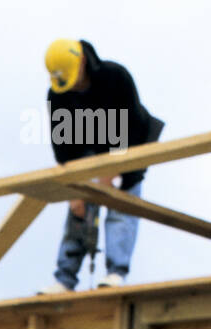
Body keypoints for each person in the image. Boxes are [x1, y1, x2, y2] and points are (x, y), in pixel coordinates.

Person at [41, 39, 163, 292]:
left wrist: (115, 170)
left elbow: (130, 126)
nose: (71, 85)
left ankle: (116, 273)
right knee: (78, 210)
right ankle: (64, 279)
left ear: (82, 61)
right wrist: (73, 189)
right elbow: (63, 147)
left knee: (121, 204)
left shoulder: (115, 78)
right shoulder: (58, 94)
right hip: (87, 154)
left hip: (130, 149)